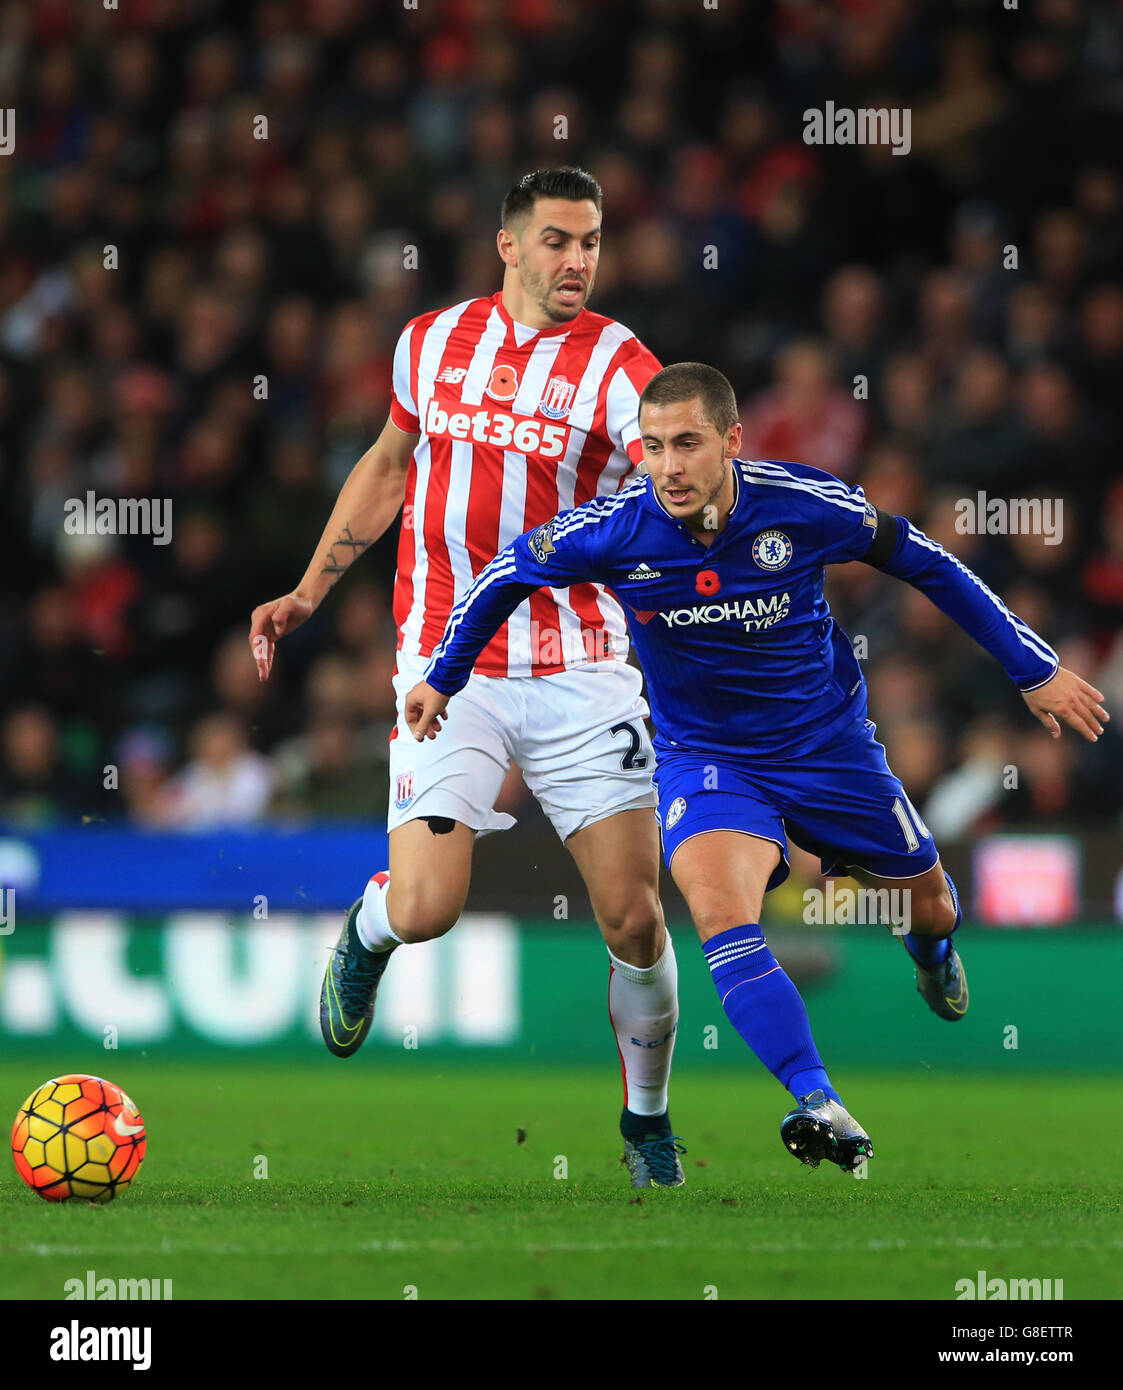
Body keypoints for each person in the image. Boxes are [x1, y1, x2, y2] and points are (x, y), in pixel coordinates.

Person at [405, 361, 1109, 1173]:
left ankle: (930, 952)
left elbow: (925, 561)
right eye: (653, 446)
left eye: (687, 444)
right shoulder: (615, 528)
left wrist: (1033, 668)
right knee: (718, 913)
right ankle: (818, 1099)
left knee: (931, 903)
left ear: (731, 442)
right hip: (706, 758)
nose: (667, 466)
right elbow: (505, 573)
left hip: (828, 748)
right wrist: (443, 676)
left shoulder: (802, 504)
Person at [250, 168, 688, 1189]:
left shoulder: (623, 368)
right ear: (507, 244)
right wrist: (311, 590)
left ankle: (646, 1123)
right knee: (429, 904)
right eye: (555, 240)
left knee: (633, 916)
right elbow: (391, 464)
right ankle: (367, 932)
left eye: (589, 240)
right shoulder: (431, 342)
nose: (576, 259)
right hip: (448, 665)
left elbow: (671, 480)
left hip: (580, 666)